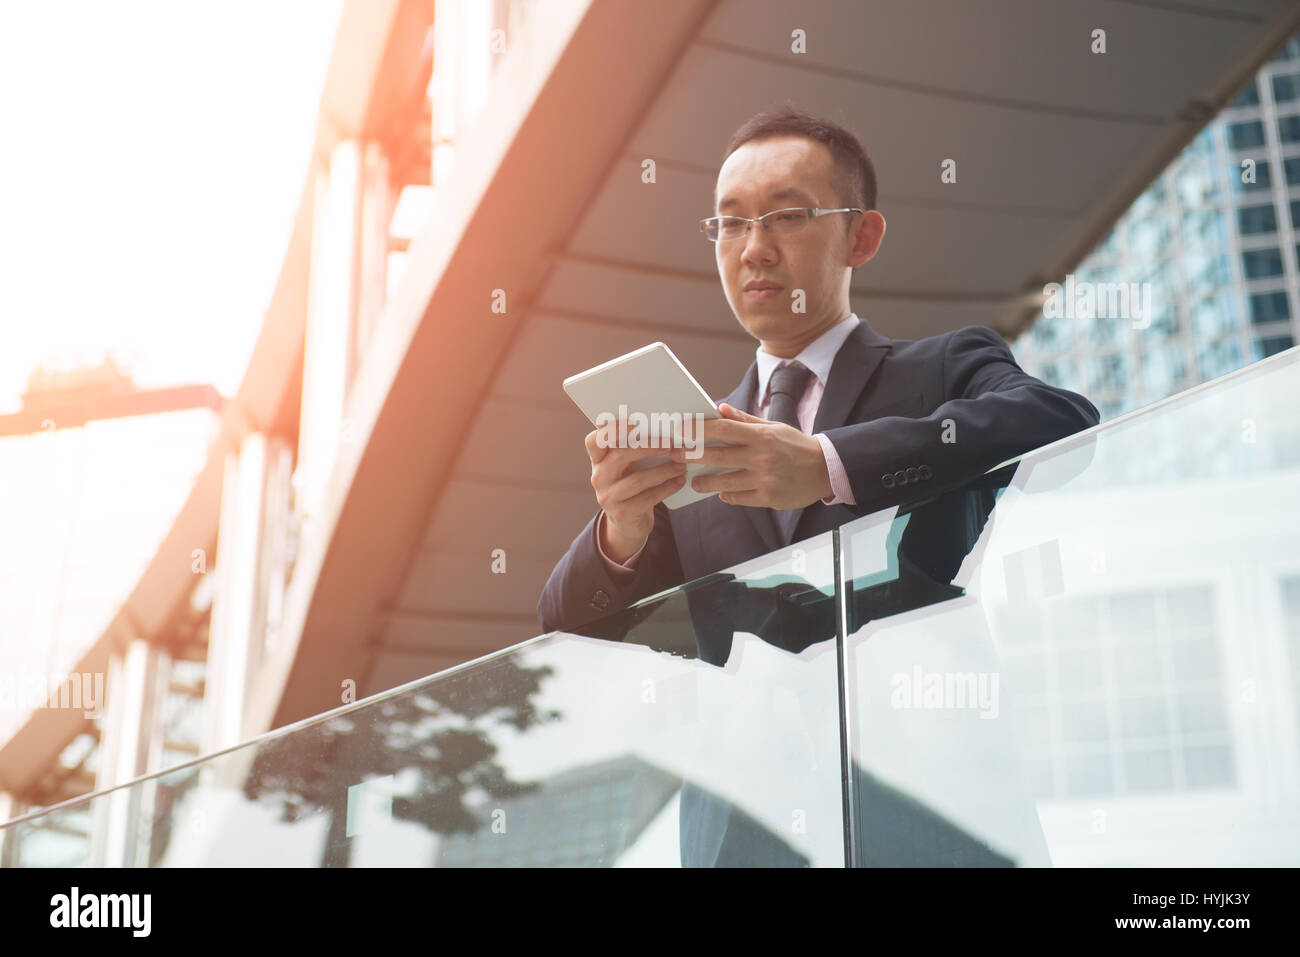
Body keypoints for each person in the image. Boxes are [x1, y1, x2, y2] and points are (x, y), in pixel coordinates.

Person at [537, 105, 1098, 636]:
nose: (754, 249)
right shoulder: (697, 436)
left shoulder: (943, 366)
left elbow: (1065, 421)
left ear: (862, 236)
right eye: (731, 223)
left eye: (786, 216)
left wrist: (830, 463)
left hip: (925, 717)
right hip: (761, 735)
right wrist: (621, 531)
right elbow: (567, 626)